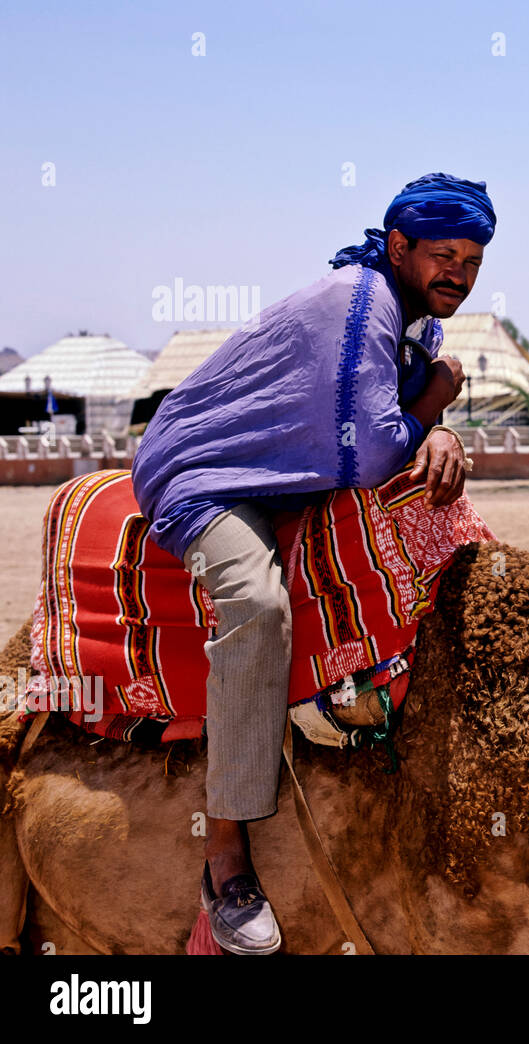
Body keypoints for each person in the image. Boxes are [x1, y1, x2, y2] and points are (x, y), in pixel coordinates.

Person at [132, 172, 495, 953]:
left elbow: (389, 423)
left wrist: (438, 431)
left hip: (287, 473)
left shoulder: (410, 324)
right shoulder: (360, 307)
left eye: (471, 259)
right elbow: (370, 451)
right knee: (260, 605)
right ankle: (224, 856)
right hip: (211, 477)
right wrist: (435, 404)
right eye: (443, 255)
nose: (458, 274)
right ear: (398, 247)